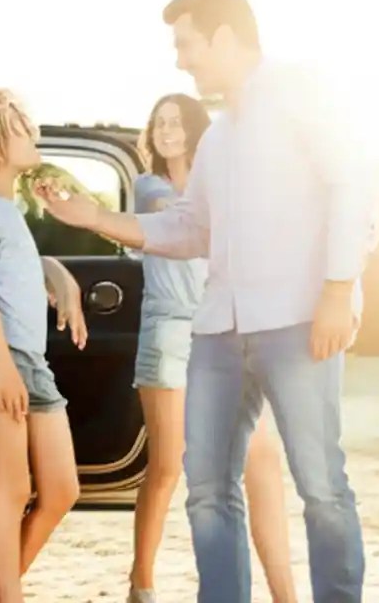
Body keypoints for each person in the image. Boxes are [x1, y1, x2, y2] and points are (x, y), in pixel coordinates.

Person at [36, 0, 377, 603]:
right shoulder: (218, 139)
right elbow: (192, 229)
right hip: (218, 332)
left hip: (297, 322)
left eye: (186, 44)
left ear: (223, 37)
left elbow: (354, 186)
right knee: (207, 491)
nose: (180, 60)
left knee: (322, 487)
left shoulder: (300, 93)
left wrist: (337, 289)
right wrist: (95, 217)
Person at [127, 93, 297, 603]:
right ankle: (141, 583)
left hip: (221, 334)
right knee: (167, 466)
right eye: (160, 122)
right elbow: (175, 215)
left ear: (196, 129)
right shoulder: (149, 186)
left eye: (177, 122)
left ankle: (285, 594)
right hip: (169, 335)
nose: (167, 130)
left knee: (262, 460)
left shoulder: (222, 185)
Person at [0, 91, 85, 603]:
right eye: (22, 129)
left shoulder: (6, 210)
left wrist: (58, 274)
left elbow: (13, 270)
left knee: (62, 488)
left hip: (28, 359)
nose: (35, 134)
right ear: (0, 148)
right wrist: (1, 367)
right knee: (13, 487)